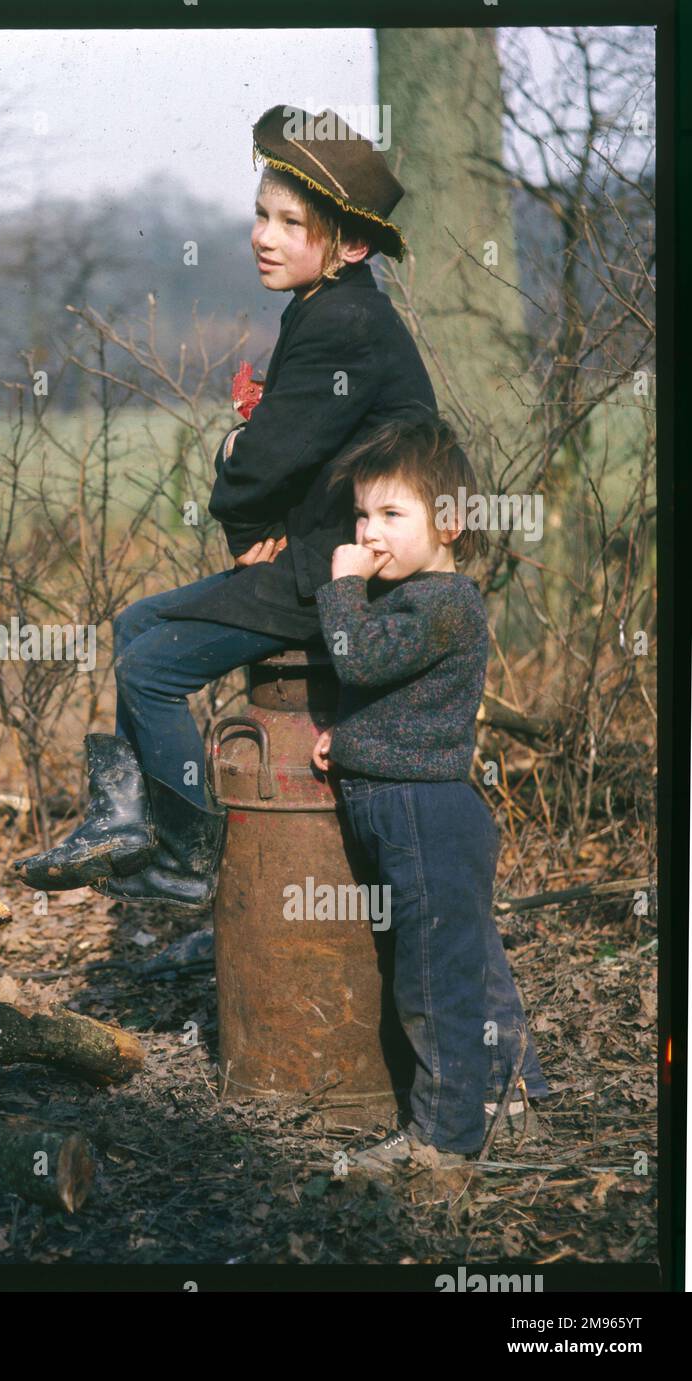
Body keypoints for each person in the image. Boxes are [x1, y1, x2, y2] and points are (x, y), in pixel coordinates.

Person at [13, 105, 438, 909]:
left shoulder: (345, 323)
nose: (263, 236)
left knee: (151, 665)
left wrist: (243, 493)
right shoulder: (326, 306)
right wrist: (255, 498)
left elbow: (262, 459)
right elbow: (292, 451)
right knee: (135, 625)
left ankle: (186, 850)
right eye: (260, 214)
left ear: (349, 245)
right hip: (316, 541)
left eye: (290, 223)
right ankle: (126, 821)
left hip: (351, 567)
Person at [310, 412, 551, 1169]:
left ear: (448, 522)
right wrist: (344, 739)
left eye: (390, 514)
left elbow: (359, 662)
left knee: (430, 978)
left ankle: (442, 1143)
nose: (368, 532)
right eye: (360, 514)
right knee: (470, 961)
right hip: (420, 807)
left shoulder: (441, 602)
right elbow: (397, 697)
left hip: (423, 813)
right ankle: (511, 1101)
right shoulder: (415, 600)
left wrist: (340, 587)